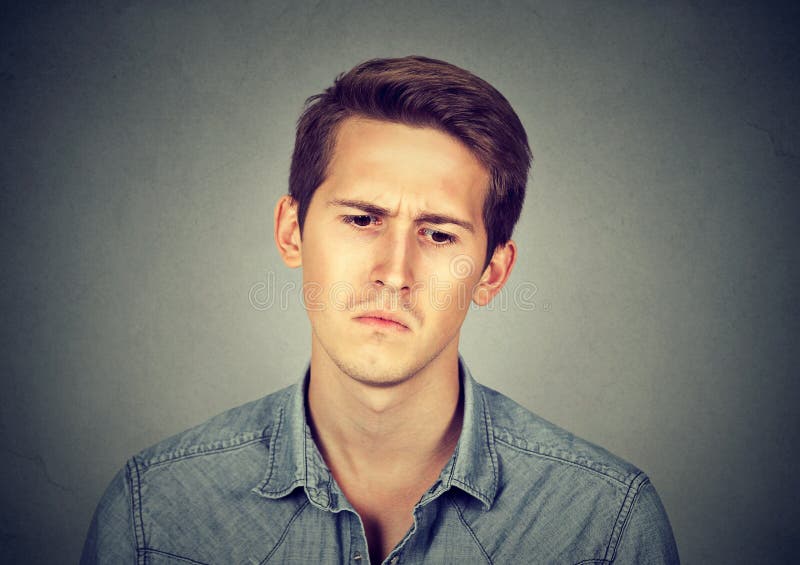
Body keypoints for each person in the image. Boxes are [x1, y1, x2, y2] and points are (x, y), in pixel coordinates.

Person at [81, 56, 680, 564]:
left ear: (492, 272)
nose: (394, 273)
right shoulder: (153, 513)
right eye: (362, 219)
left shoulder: (605, 525)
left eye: (440, 234)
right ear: (292, 231)